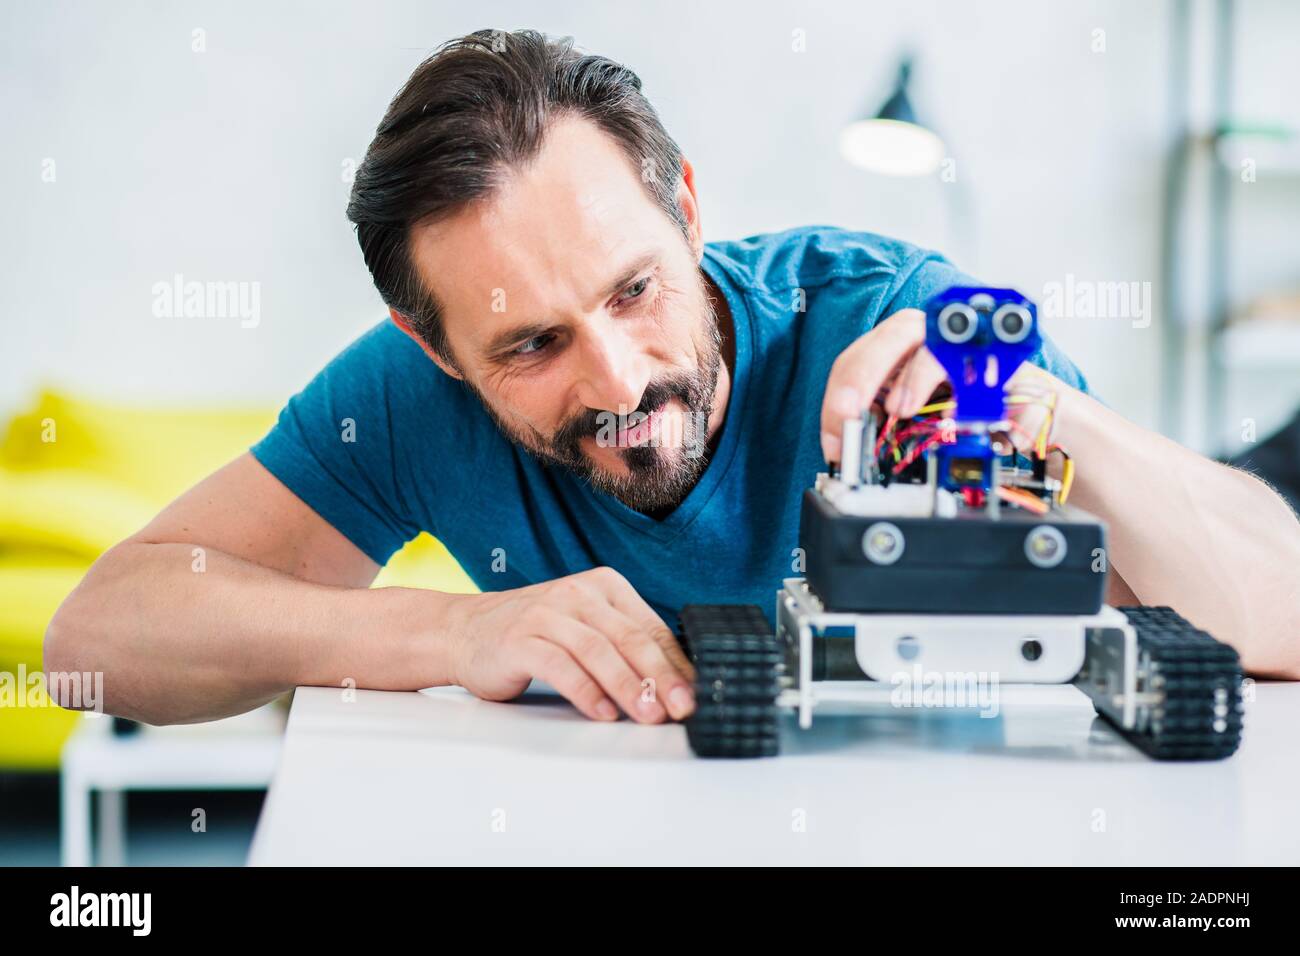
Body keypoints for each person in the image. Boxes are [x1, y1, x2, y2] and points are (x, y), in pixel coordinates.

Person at [45, 29, 1300, 727]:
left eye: (634, 289)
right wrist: (450, 625)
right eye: (529, 345)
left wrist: (1057, 414)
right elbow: (97, 638)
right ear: (434, 345)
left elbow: (1278, 616)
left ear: (686, 210)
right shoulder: (410, 394)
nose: (619, 378)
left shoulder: (883, 318)